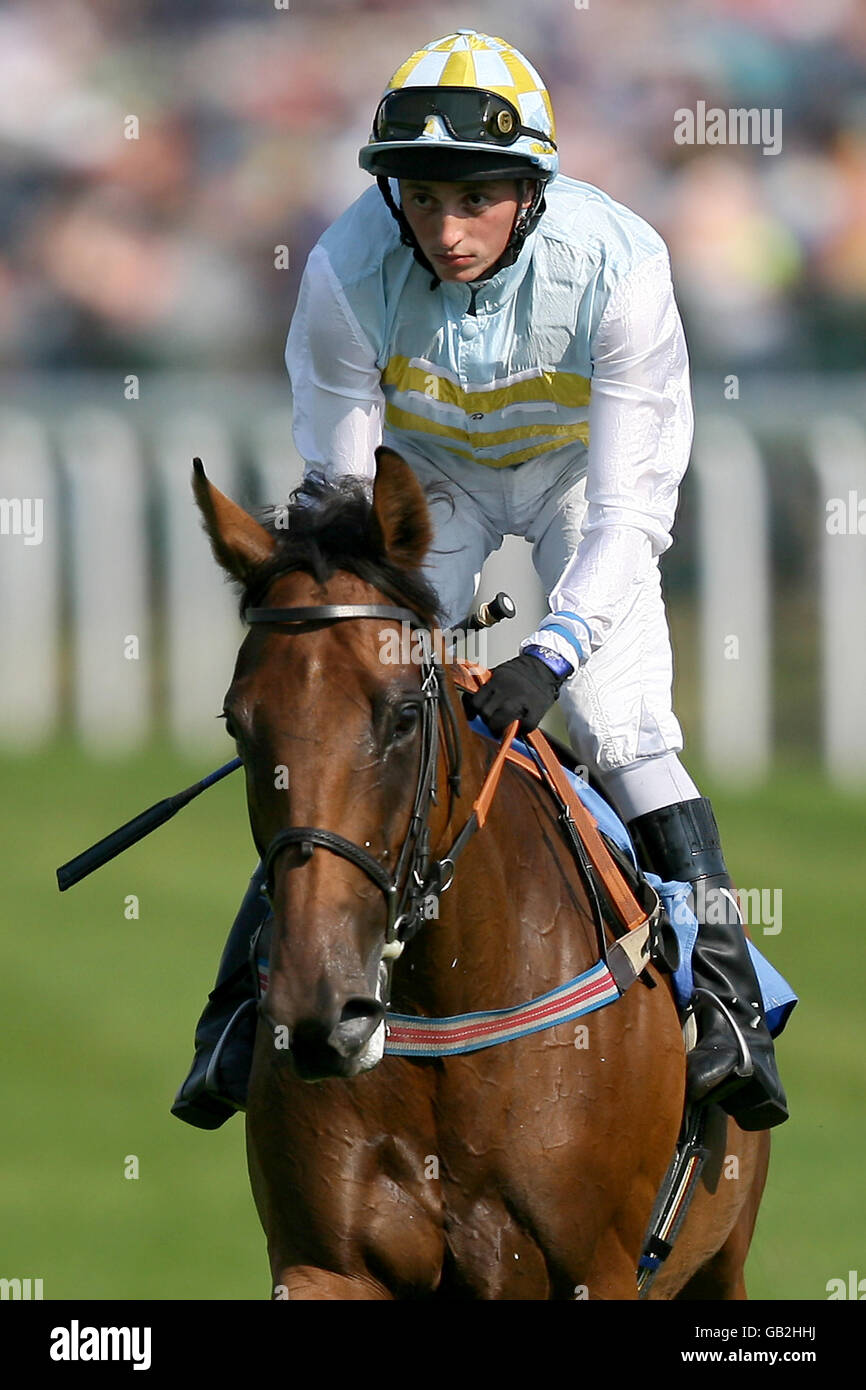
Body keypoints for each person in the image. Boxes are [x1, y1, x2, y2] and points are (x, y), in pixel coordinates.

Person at [172, 29, 787, 1132]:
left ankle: (728, 999)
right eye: (420, 200)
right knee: (343, 713)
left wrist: (546, 657)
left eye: (476, 200)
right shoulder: (341, 269)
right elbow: (344, 499)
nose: (446, 233)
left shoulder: (622, 262)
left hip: (575, 491)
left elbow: (628, 509)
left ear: (530, 189)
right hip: (432, 489)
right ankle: (235, 1008)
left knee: (619, 718)